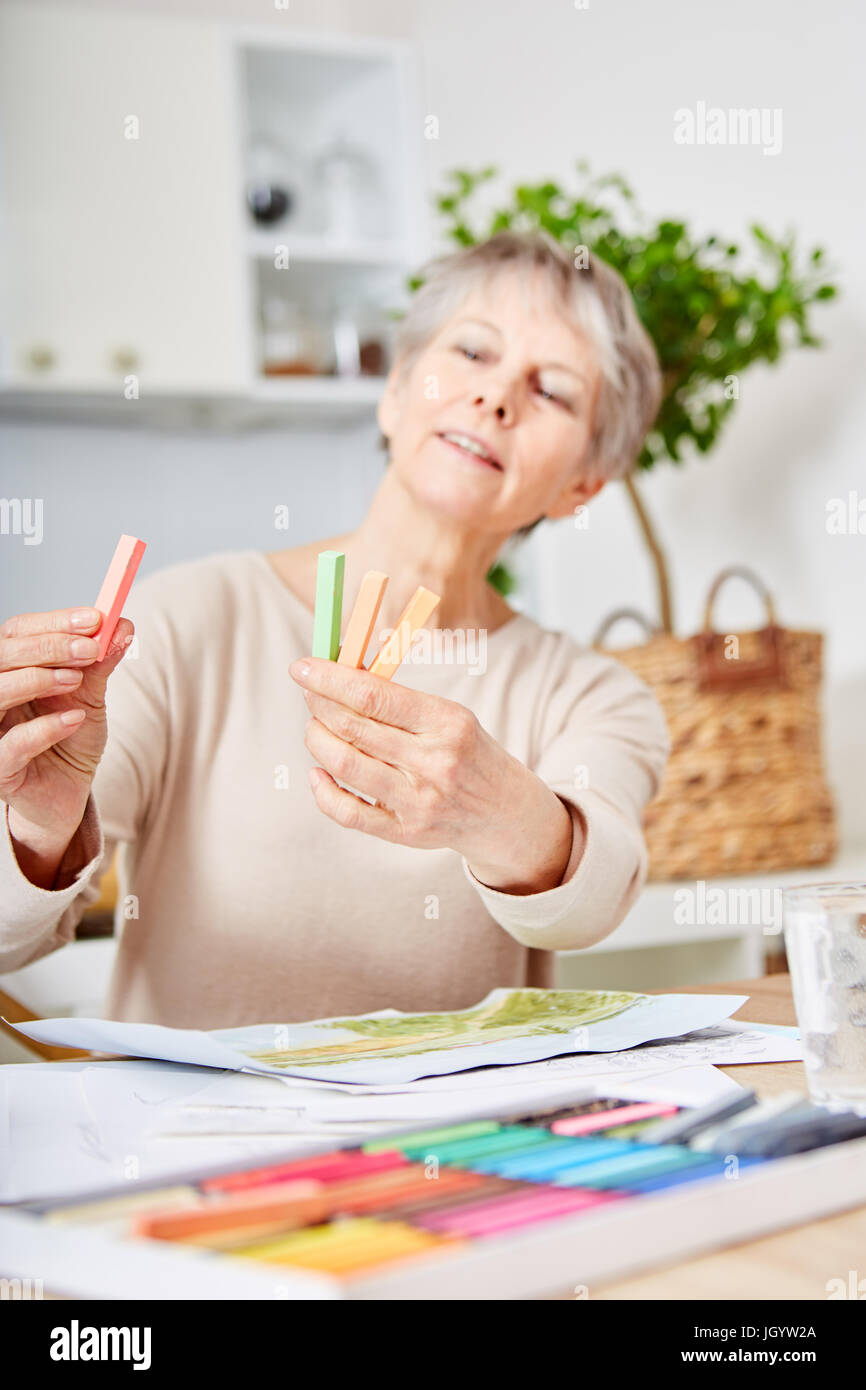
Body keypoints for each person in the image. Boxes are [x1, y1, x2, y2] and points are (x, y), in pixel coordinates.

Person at [0, 232, 669, 1029]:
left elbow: (591, 904)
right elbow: (13, 942)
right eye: (471, 351)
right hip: (195, 1144)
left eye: (552, 391)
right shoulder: (188, 618)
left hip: (441, 1143)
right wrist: (38, 824)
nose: (495, 398)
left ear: (582, 486)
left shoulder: (593, 695)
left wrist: (500, 813)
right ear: (394, 391)